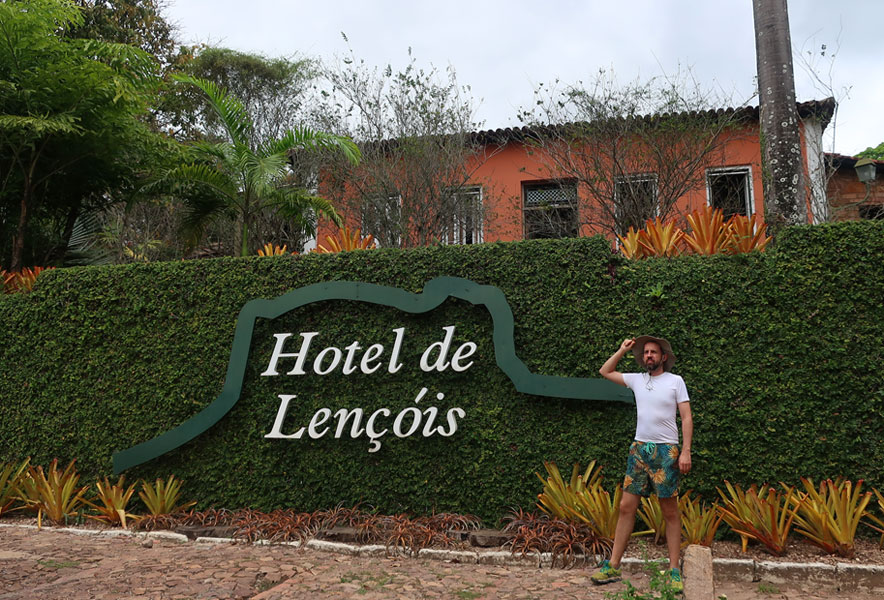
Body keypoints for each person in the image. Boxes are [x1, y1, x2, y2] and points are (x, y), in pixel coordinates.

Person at [590, 336, 693, 593]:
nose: (649, 356)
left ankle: (674, 570)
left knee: (669, 511)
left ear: (663, 357)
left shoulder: (675, 381)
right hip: (639, 449)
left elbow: (686, 416)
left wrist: (685, 451)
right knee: (626, 507)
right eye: (645, 352)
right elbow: (605, 371)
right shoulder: (637, 379)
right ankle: (613, 565)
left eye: (653, 352)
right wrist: (622, 349)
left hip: (665, 451)